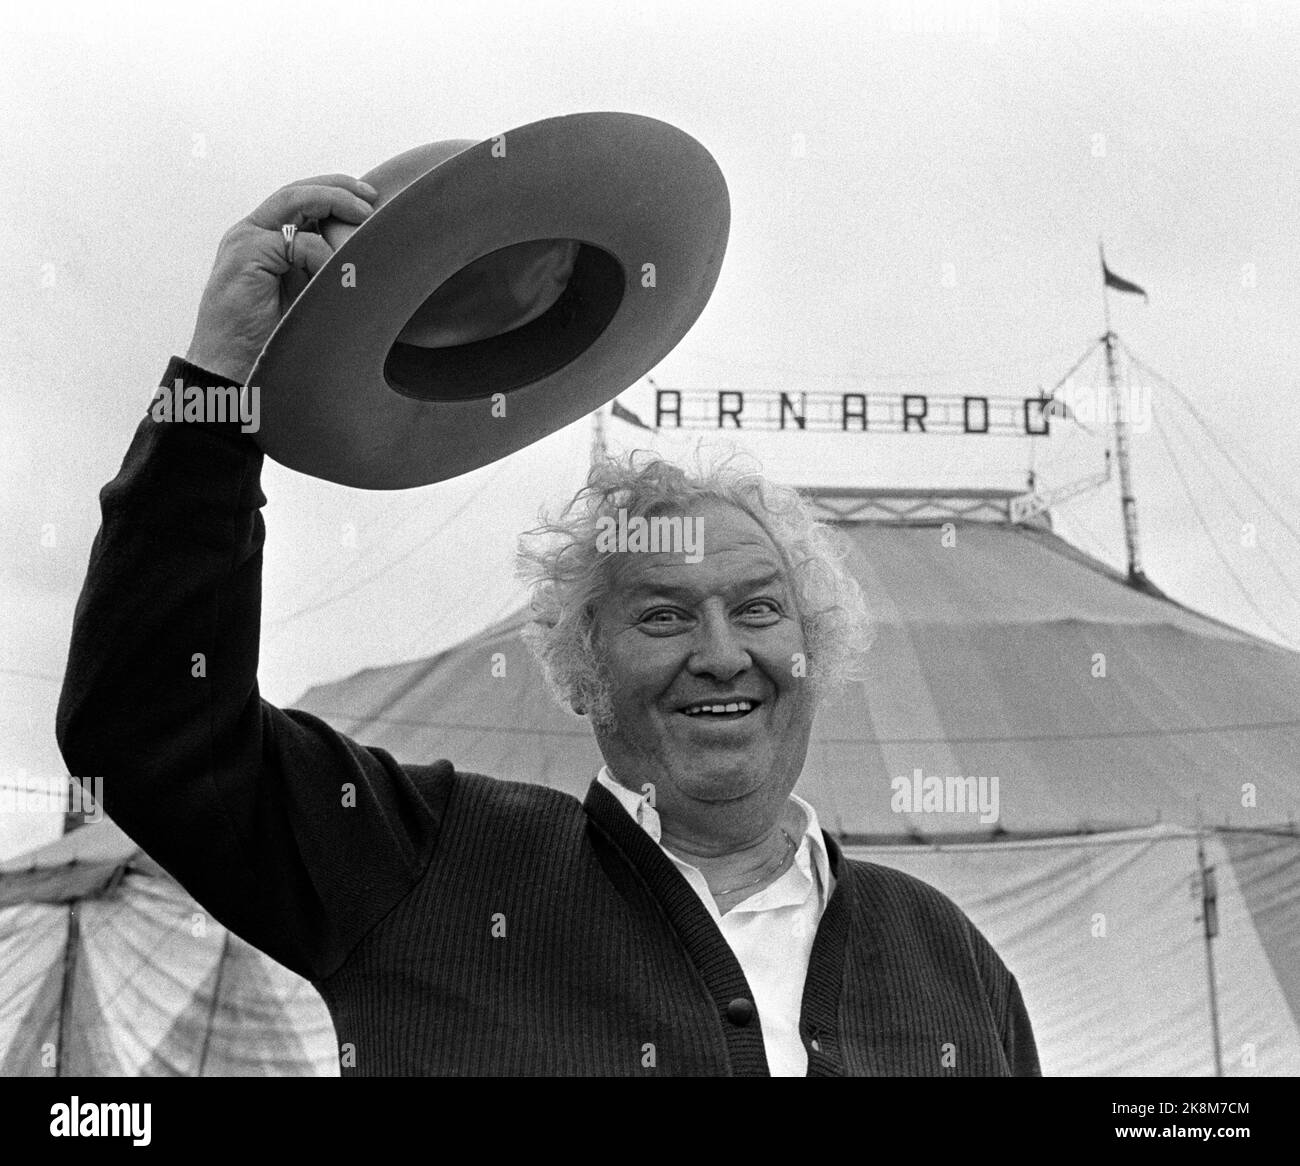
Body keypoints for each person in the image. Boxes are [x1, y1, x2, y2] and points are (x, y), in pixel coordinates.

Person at [56, 175, 1040, 1077]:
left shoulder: (950, 961)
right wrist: (216, 383)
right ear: (585, 666)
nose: (721, 651)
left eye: (758, 607)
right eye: (661, 613)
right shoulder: (420, 864)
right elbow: (151, 730)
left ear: (811, 648)